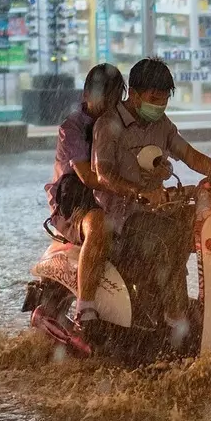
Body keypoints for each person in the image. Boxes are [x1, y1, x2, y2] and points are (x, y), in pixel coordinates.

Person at [92, 57, 211, 343]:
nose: (159, 105)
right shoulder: (108, 124)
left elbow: (190, 155)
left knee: (207, 227)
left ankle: (206, 307)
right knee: (168, 238)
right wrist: (138, 192)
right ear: (134, 94)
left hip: (156, 212)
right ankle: (174, 319)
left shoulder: (161, 124)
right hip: (121, 221)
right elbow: (104, 174)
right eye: (153, 98)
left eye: (164, 99)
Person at [43, 63, 126, 347]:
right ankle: (85, 307)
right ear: (87, 93)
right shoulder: (73, 128)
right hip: (75, 202)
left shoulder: (124, 126)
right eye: (105, 96)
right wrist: (132, 187)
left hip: (114, 200)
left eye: (116, 97)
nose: (110, 104)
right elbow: (87, 177)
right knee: (99, 226)